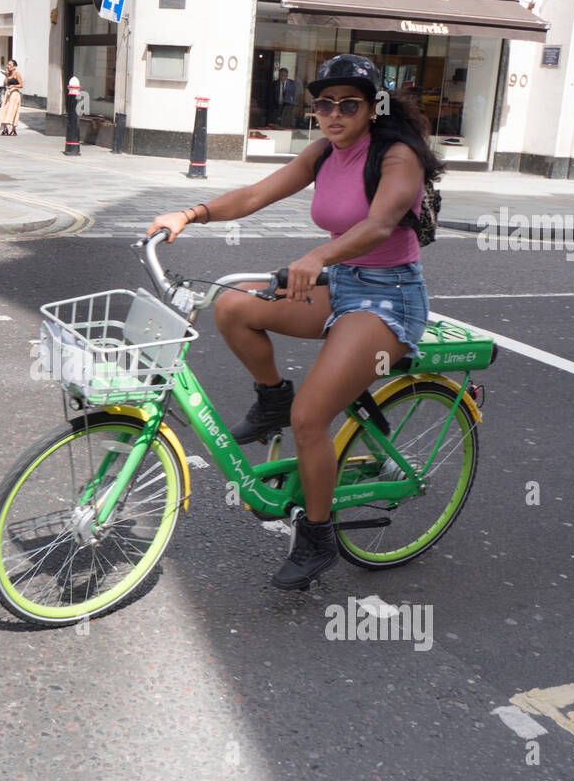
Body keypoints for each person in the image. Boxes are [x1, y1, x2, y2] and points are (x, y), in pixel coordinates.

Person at [145, 54, 442, 591]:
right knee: (232, 306)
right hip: (341, 284)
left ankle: (318, 534)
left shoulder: (398, 157)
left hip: (389, 299)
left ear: (373, 106)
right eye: (323, 105)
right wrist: (188, 215)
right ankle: (271, 397)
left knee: (311, 419)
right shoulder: (324, 152)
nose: (333, 115)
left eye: (348, 104)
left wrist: (318, 257)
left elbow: (379, 225)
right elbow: (258, 194)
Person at [0, 59, 22, 135]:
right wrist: (6, 76)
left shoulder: (17, 74)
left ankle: (13, 129)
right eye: (8, 65)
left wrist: (13, 85)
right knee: (5, 109)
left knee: (13, 111)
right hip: (8, 94)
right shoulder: (8, 74)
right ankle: (5, 129)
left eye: (10, 65)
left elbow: (21, 85)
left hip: (14, 94)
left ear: (14, 66)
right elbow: (5, 83)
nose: (8, 66)